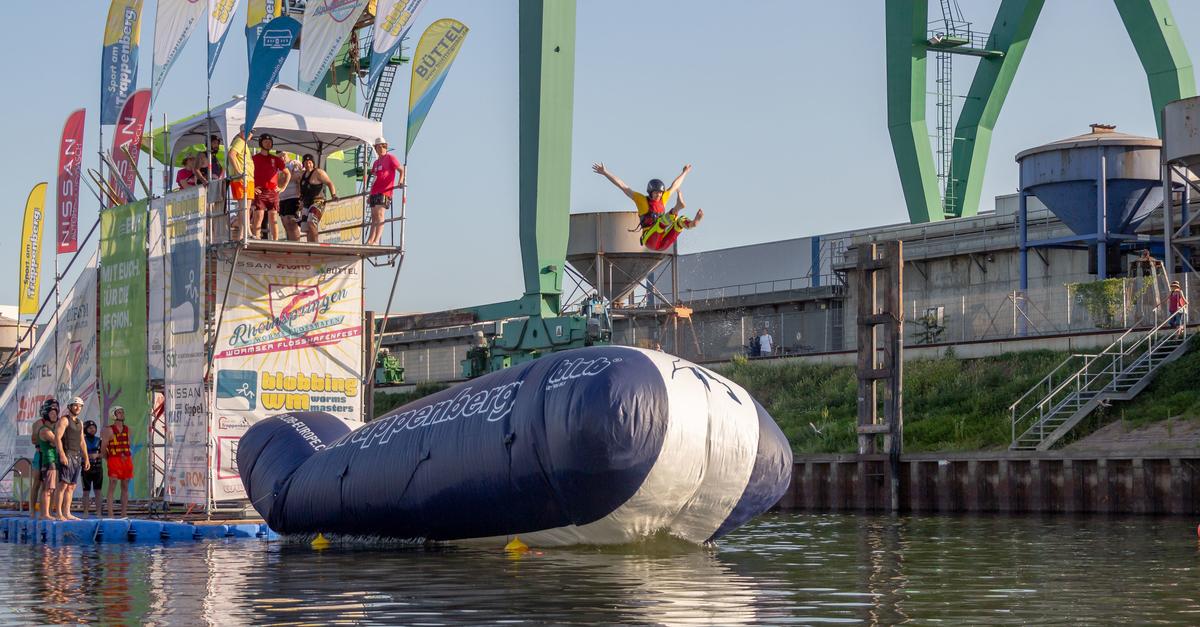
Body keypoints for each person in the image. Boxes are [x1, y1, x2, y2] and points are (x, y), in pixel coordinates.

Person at [592, 162, 703, 251]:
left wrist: (684, 172)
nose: (658, 195)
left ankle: (692, 223)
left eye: (660, 193)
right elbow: (623, 186)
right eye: (656, 193)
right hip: (649, 239)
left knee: (680, 221)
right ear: (650, 192)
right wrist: (605, 172)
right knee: (661, 222)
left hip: (662, 243)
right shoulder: (641, 200)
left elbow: (675, 185)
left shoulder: (663, 198)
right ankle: (676, 208)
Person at [54, 397, 88, 520]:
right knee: (63, 485)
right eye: (75, 405)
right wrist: (62, 454)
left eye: (80, 406)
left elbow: (82, 441)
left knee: (71, 486)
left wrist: (86, 458)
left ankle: (67, 512)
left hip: (77, 456)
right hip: (67, 453)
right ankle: (59, 513)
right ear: (69, 407)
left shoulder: (80, 423)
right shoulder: (64, 420)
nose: (78, 408)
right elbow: (57, 438)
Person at [366, 137, 405, 245]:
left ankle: (376, 240)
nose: (379, 149)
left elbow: (401, 170)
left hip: (385, 191)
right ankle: (370, 240)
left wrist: (400, 180)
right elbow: (374, 179)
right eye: (377, 147)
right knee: (374, 216)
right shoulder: (376, 162)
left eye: (381, 146)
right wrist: (370, 194)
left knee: (380, 214)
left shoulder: (390, 158)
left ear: (384, 146)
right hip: (375, 191)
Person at [251, 134, 289, 241]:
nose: (268, 144)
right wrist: (252, 187)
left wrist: (283, 187)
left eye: (270, 142)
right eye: (266, 142)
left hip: (273, 192)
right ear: (260, 143)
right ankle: (256, 239)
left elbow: (288, 173)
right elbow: (247, 174)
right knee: (259, 216)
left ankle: (275, 241)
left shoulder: (275, 159)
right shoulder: (254, 158)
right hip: (260, 191)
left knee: (273, 217)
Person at [297, 154, 337, 243]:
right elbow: (301, 191)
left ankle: (315, 244)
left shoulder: (319, 172)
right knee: (306, 227)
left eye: (310, 162)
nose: (308, 165)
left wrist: (333, 195)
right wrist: (301, 202)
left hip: (318, 201)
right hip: (307, 203)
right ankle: (310, 246)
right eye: (306, 163)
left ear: (313, 163)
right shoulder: (302, 175)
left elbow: (329, 183)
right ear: (303, 164)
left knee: (311, 222)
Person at [101, 406, 133, 518]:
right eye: (119, 412)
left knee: (125, 486)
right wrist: (108, 459)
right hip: (114, 459)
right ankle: (111, 514)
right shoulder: (108, 430)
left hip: (126, 459)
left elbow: (128, 444)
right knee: (113, 484)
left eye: (122, 412)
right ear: (113, 415)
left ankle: (124, 514)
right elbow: (103, 448)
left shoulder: (128, 429)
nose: (122, 414)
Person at [29, 399, 58, 518]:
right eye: (52, 407)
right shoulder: (39, 423)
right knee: (37, 483)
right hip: (40, 454)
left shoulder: (58, 422)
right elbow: (34, 440)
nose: (54, 410)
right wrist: (47, 439)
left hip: (52, 455)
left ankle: (48, 511)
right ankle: (32, 510)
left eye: (56, 407)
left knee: (51, 485)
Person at [228, 129, 255, 239]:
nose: (250, 134)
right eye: (247, 131)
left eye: (251, 132)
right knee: (244, 207)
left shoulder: (243, 143)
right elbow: (231, 154)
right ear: (241, 132)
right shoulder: (240, 141)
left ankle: (243, 234)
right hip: (242, 179)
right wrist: (239, 172)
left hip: (247, 179)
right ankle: (246, 232)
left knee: (245, 207)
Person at [36, 403, 61, 520]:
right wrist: (55, 441)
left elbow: (55, 442)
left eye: (55, 413)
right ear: (46, 415)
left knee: (50, 489)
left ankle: (47, 512)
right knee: (48, 489)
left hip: (53, 461)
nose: (55, 415)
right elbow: (57, 442)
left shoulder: (50, 430)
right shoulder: (45, 430)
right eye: (52, 413)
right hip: (49, 461)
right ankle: (44, 514)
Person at [277, 156, 305, 241]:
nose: (282, 157)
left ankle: (296, 243)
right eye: (280, 155)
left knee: (291, 221)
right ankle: (291, 242)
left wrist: (285, 177)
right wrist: (287, 176)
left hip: (293, 196)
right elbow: (277, 181)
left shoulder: (294, 163)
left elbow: (299, 176)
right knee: (285, 221)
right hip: (282, 197)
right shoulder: (277, 165)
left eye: (284, 155)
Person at [81, 420, 103, 517]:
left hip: (98, 469)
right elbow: (79, 453)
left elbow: (104, 453)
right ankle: (85, 512)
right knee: (86, 492)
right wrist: (88, 456)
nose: (92, 429)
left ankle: (99, 512)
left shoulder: (99, 440)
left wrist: (97, 455)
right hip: (86, 469)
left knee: (98, 491)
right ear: (85, 429)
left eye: (94, 427)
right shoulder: (82, 440)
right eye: (90, 428)